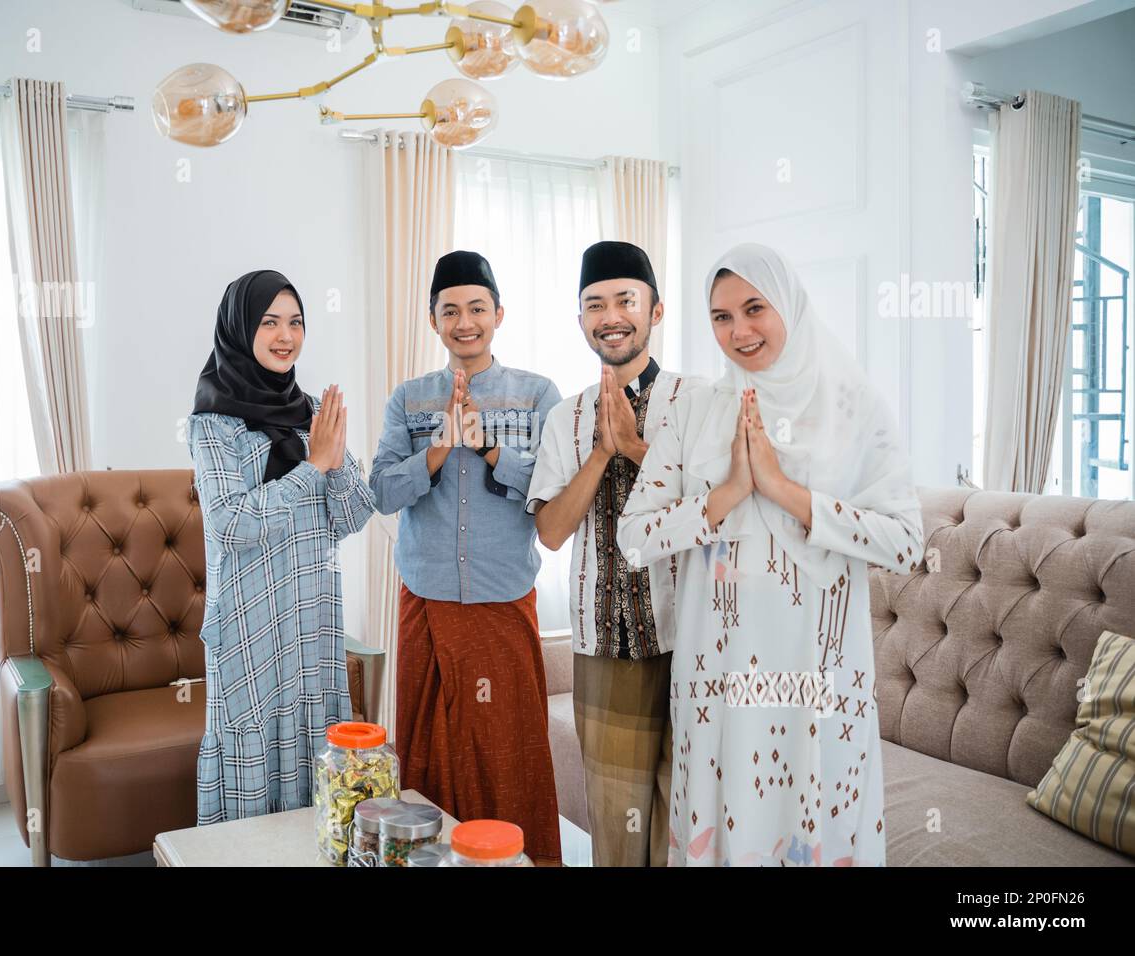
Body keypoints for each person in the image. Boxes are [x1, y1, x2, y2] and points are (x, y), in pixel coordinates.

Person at [617, 243, 923, 866]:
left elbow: (906, 543)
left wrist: (786, 491)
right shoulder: (697, 410)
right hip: (717, 670)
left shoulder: (855, 409)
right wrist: (726, 494)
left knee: (813, 820)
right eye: (721, 316)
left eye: (754, 308)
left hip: (819, 669)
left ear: (789, 305)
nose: (739, 331)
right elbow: (634, 538)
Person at [369, 249, 564, 865]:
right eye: (450, 310)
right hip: (424, 596)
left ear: (499, 314)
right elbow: (380, 491)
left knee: (506, 749)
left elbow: (554, 490)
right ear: (433, 321)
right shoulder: (409, 399)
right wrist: (437, 450)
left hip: (502, 598)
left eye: (476, 307)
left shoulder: (537, 395)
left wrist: (486, 449)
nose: (464, 322)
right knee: (427, 751)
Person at [526, 240, 706, 866]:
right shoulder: (566, 418)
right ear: (580, 322)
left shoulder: (696, 401)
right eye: (594, 304)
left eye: (626, 300)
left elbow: (716, 512)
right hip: (604, 648)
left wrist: (634, 447)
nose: (611, 315)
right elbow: (550, 531)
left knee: (691, 816)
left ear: (656, 311)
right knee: (617, 828)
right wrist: (602, 453)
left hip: (696, 641)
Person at [187, 269, 374, 823]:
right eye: (269, 322)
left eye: (295, 322)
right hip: (248, 627)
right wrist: (313, 467)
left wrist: (333, 465)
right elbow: (230, 524)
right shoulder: (213, 423)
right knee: (251, 754)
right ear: (240, 328)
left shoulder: (312, 411)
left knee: (315, 756)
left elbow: (353, 513)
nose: (285, 335)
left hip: (312, 619)